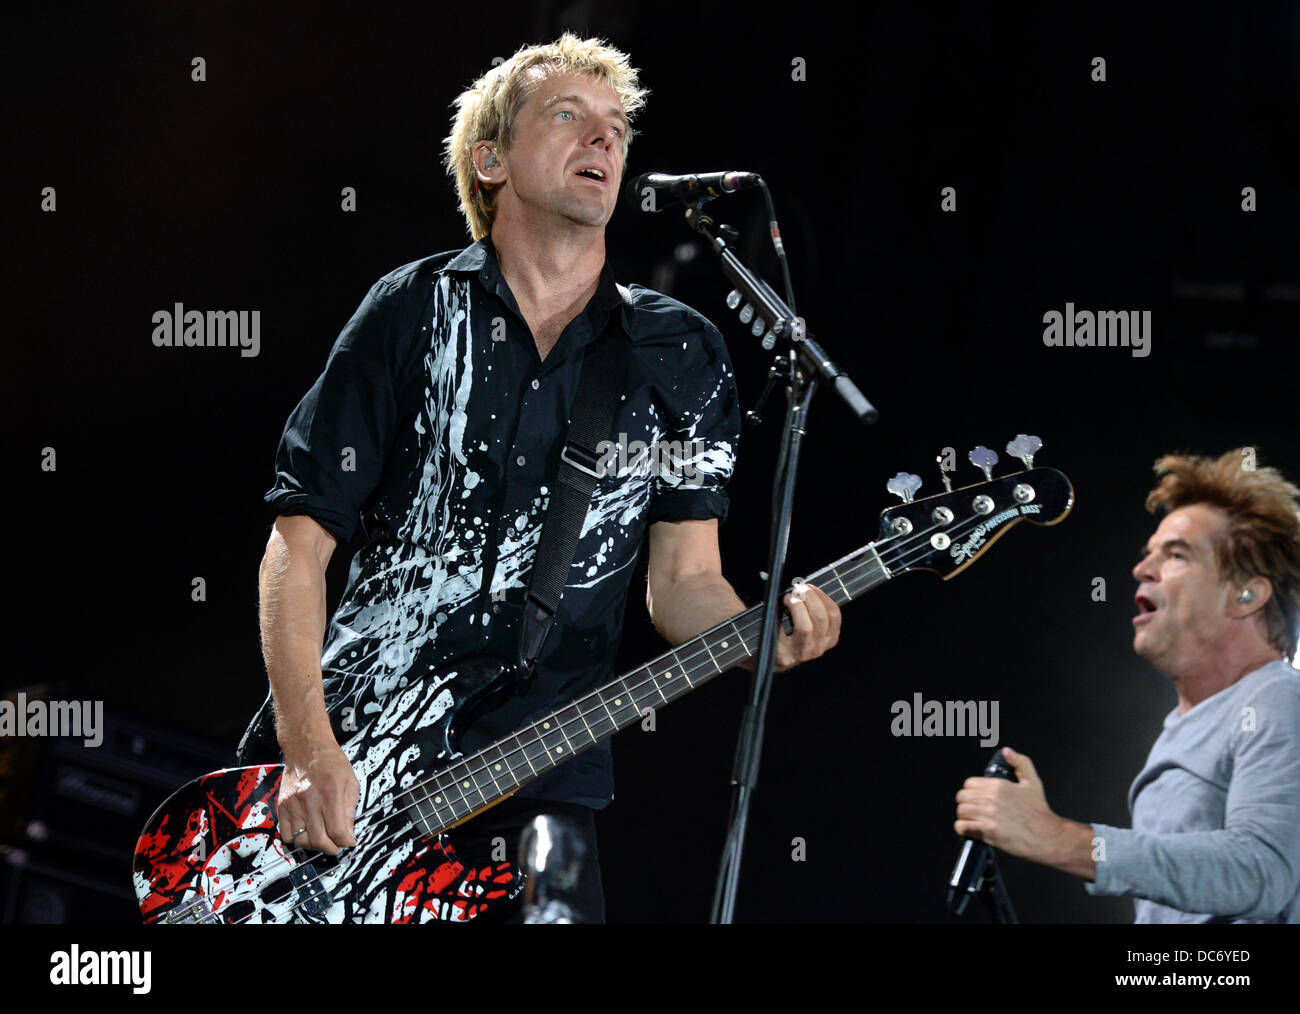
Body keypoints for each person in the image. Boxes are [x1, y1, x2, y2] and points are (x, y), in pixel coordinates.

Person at [236, 34, 841, 923]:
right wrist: (305, 748)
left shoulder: (679, 353)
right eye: (569, 116)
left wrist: (759, 638)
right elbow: (298, 541)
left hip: (540, 783)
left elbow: (684, 583)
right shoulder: (412, 310)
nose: (603, 139)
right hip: (352, 768)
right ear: (491, 162)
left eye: (617, 127)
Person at [953, 449, 1300, 923]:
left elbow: (1260, 871)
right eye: (1148, 553)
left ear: (1246, 594)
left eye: (1176, 555)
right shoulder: (1186, 724)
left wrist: (1056, 837)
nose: (1142, 568)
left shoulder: (1278, 697)